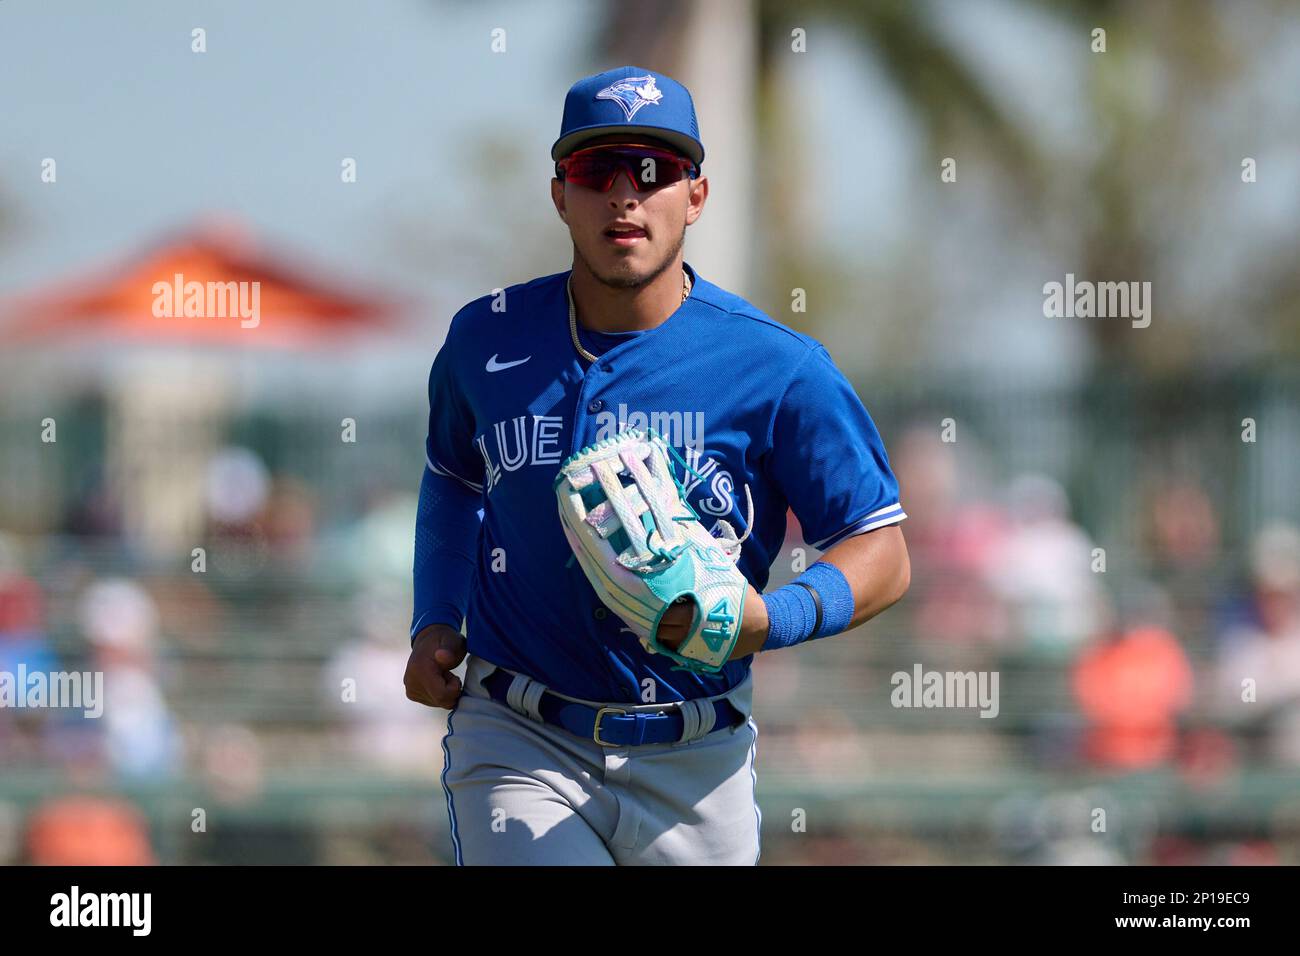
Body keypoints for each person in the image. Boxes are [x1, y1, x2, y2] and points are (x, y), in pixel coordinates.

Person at [403, 66, 910, 865]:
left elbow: (881, 552)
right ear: (558, 194)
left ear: (696, 196)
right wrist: (435, 613)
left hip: (699, 759)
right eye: (594, 170)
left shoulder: (778, 366)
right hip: (519, 738)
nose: (624, 194)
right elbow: (454, 476)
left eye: (652, 170)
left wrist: (770, 619)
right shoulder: (484, 339)